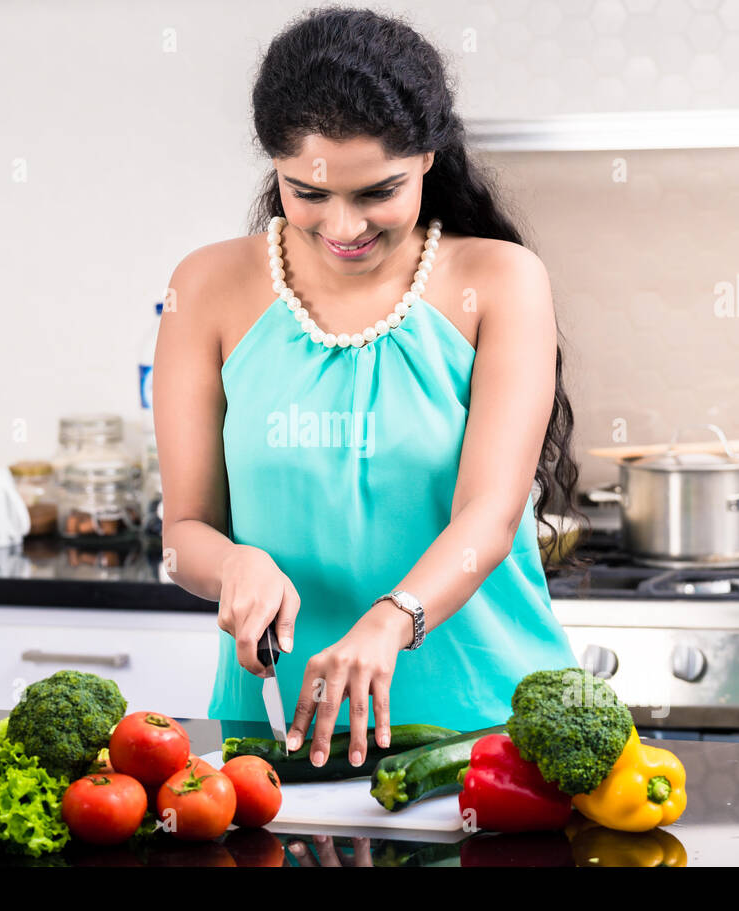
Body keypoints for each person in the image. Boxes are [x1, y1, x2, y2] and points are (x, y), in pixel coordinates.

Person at [154, 7, 584, 771]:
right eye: (309, 194)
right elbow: (185, 531)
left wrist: (393, 618)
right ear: (275, 168)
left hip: (488, 726)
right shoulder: (208, 287)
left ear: (427, 158)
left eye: (377, 191)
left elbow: (489, 515)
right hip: (282, 731)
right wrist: (233, 566)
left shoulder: (500, 281)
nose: (343, 225)